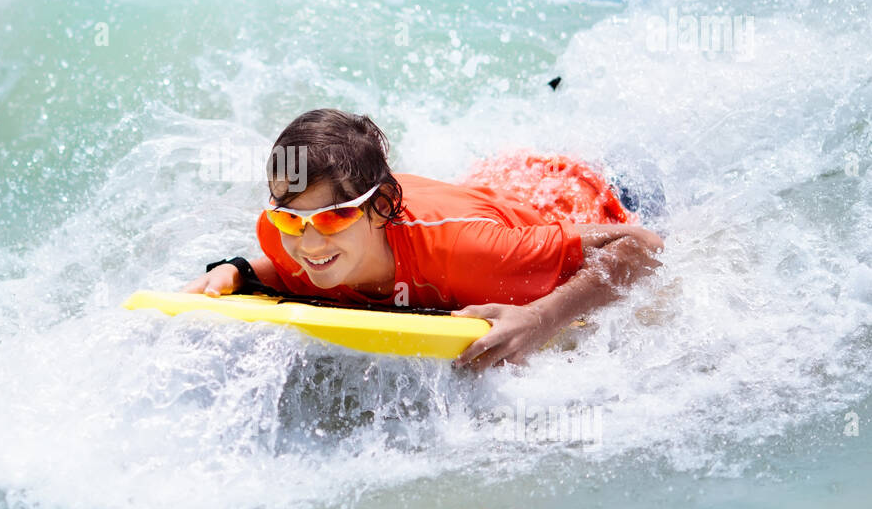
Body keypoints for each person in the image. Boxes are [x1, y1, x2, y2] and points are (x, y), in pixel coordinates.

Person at [184, 109, 665, 371]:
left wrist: (542, 318)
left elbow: (643, 244)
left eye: (332, 219)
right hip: (487, 188)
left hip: (581, 191)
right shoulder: (284, 234)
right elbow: (294, 267)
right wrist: (240, 272)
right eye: (291, 219)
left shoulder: (470, 252)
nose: (308, 244)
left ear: (379, 206)